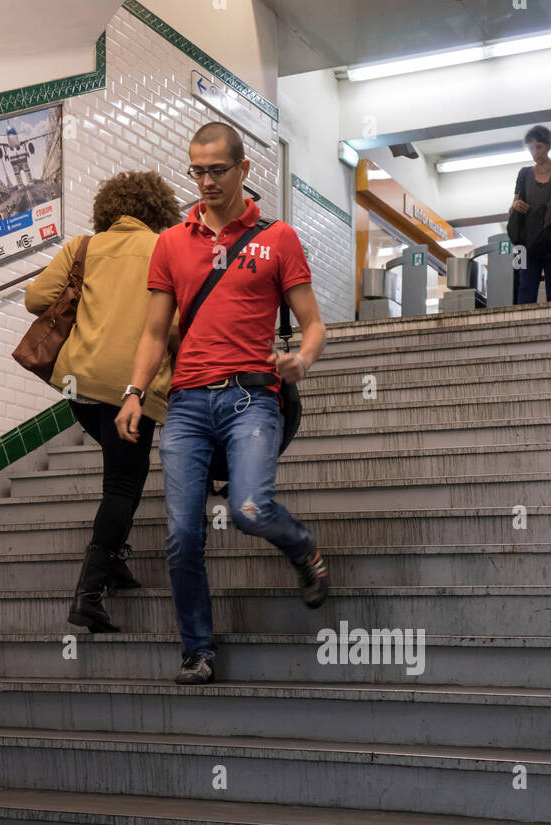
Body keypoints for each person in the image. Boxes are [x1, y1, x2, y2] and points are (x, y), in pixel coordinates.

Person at [115, 121, 328, 686]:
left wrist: (300, 361)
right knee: (183, 534)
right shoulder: (170, 242)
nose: (205, 181)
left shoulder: (277, 238)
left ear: (243, 170)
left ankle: (302, 548)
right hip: (185, 405)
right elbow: (155, 333)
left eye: (216, 170)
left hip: (252, 399)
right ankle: (197, 649)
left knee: (250, 510)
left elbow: (313, 324)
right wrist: (135, 392)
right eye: (197, 171)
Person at [24, 171, 181, 632]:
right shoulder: (165, 249)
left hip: (79, 385)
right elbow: (174, 325)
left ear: (109, 208)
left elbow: (36, 299)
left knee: (121, 472)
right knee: (122, 484)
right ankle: (88, 595)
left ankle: (113, 564)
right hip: (133, 386)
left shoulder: (83, 247)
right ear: (160, 211)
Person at [508, 125, 551, 304]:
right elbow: (512, 208)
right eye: (531, 148)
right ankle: (523, 329)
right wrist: (516, 205)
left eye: (538, 147)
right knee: (525, 288)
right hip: (525, 242)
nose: (534, 152)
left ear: (548, 146)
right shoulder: (523, 174)